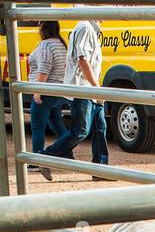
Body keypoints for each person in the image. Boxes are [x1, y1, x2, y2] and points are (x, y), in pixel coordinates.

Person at [43, 15, 111, 175]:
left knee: (99, 128)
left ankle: (101, 169)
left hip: (90, 89)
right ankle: (45, 157)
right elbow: (83, 60)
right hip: (84, 89)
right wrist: (96, 87)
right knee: (81, 131)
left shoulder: (89, 28)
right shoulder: (86, 28)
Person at [27, 20, 68, 179]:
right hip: (57, 91)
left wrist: (37, 91)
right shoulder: (61, 44)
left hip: (45, 91)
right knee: (56, 123)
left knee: (38, 127)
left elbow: (44, 68)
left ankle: (37, 159)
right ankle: (66, 151)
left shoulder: (45, 45)